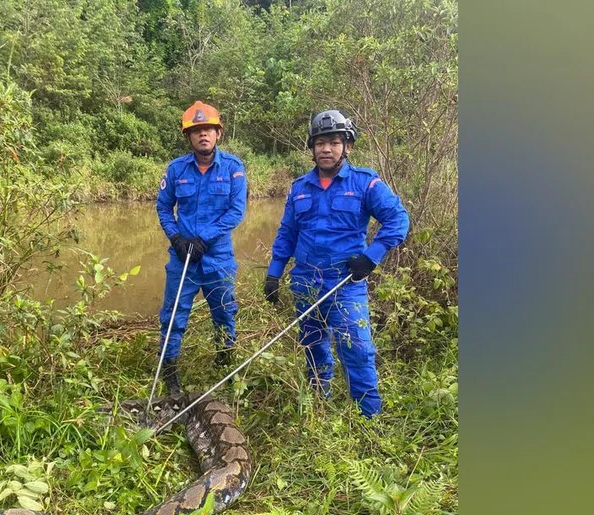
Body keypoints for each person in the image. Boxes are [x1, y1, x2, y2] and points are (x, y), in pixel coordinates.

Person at [263, 110, 410, 418]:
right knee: (313, 349)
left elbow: (397, 220)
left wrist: (371, 257)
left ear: (348, 146)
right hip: (305, 283)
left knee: (358, 351)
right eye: (319, 143)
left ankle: (368, 419)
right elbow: (287, 233)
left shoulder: (365, 184)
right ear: (312, 147)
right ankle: (319, 405)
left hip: (345, 285)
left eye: (333, 142)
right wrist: (274, 274)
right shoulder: (299, 188)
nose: (326, 149)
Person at [155, 100, 248, 393]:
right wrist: (176, 238)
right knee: (173, 315)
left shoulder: (234, 168)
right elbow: (163, 205)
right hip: (183, 259)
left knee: (224, 312)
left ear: (218, 133)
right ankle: (169, 374)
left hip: (218, 257)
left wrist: (204, 238)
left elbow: (236, 210)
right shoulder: (175, 169)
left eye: (208, 128)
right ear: (188, 136)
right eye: (196, 130)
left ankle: (225, 367)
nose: (203, 134)